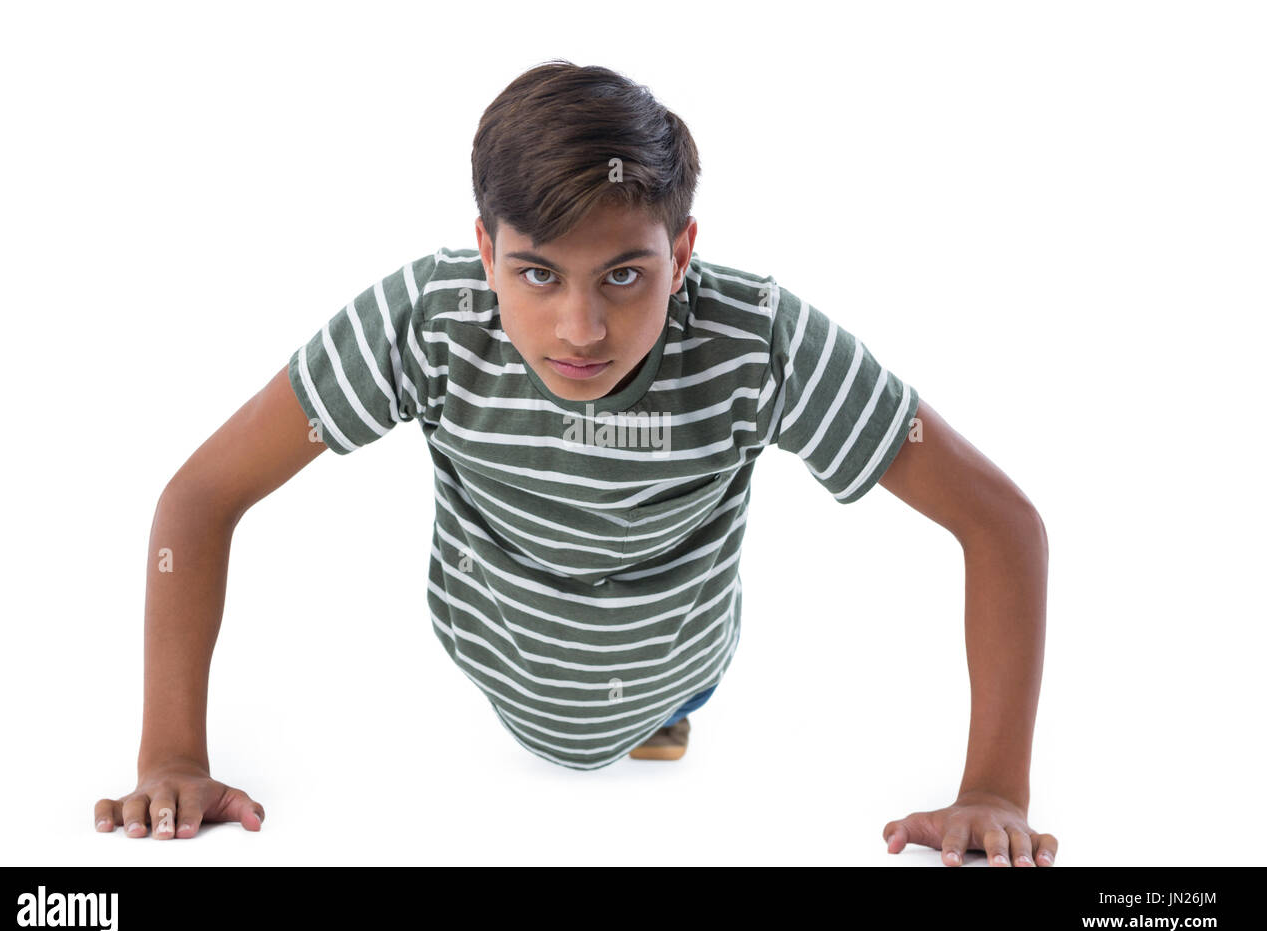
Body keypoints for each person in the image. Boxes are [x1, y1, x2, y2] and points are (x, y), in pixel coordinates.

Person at [94, 59, 1057, 868]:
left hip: (679, 656)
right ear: (485, 253)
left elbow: (1002, 525)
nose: (581, 329)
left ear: (683, 254)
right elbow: (201, 499)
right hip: (492, 645)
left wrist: (995, 792)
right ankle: (584, 707)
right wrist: (170, 755)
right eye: (539, 274)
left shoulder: (757, 344)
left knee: (671, 700)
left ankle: (661, 713)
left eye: (624, 276)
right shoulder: (431, 322)